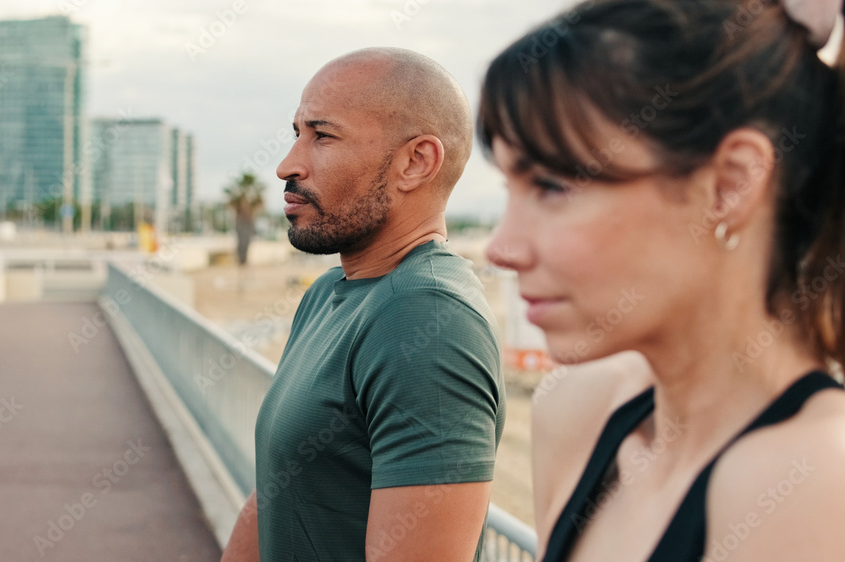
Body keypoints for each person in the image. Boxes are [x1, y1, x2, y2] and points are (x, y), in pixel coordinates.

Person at [478, 0, 845, 560]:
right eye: (510, 189)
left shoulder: (816, 480)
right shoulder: (578, 411)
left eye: (552, 185)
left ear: (729, 184)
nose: (502, 248)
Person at [219, 47, 506, 562]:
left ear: (415, 162)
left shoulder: (426, 316)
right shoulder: (327, 296)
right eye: (296, 133)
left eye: (322, 135)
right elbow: (279, 489)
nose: (288, 165)